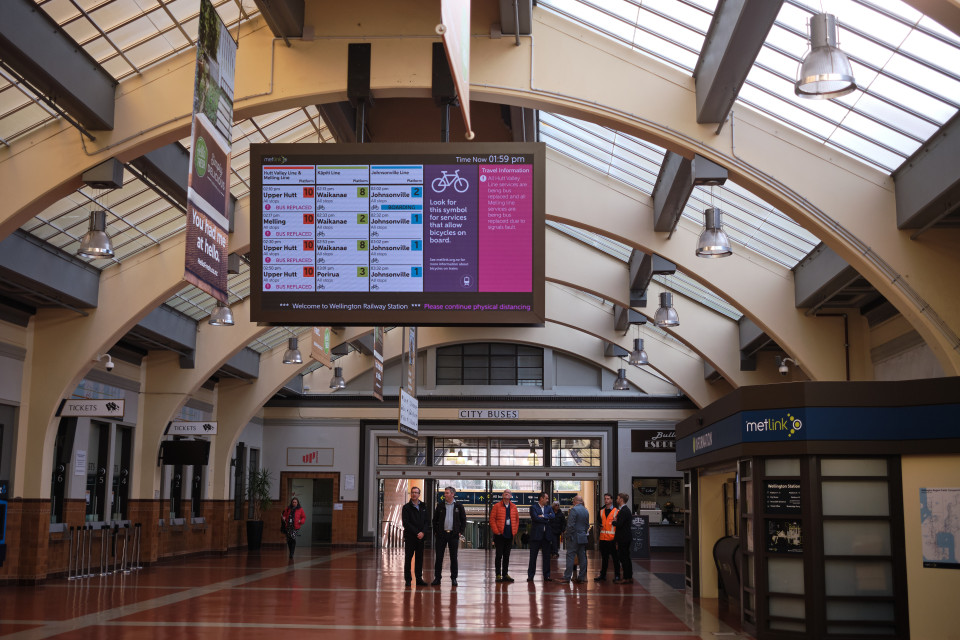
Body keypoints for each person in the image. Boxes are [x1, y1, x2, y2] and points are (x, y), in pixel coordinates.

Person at [431, 485, 466, 586]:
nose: (445, 495)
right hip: (441, 535)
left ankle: (454, 578)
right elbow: (435, 520)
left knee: (453, 558)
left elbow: (463, 520)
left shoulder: (459, 506)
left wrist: (460, 532)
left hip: (454, 535)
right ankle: (437, 578)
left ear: (452, 494)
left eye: (447, 493)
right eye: (444, 493)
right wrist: (436, 532)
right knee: (439, 557)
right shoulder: (440, 505)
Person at [401, 486, 430, 586]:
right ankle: (408, 579)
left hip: (421, 538)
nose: (414, 494)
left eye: (416, 492)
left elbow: (427, 521)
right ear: (411, 494)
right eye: (412, 492)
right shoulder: (406, 507)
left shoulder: (423, 506)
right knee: (408, 558)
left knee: (419, 559)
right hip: (410, 537)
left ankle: (419, 579)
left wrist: (423, 532)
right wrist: (417, 532)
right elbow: (406, 523)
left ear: (419, 494)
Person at [489, 489, 519, 583]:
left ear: (510, 496)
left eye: (509, 493)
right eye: (505, 493)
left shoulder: (513, 507)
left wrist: (514, 531)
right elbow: (492, 519)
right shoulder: (497, 506)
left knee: (507, 555)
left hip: (509, 534)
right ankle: (498, 574)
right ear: (502, 495)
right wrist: (496, 531)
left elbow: (517, 520)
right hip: (499, 535)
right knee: (499, 555)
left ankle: (505, 574)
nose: (507, 494)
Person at [527, 491, 555, 582]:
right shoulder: (533, 508)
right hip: (536, 536)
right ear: (541, 498)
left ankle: (546, 576)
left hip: (546, 537)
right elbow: (535, 518)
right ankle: (531, 576)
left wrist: (542, 516)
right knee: (533, 557)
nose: (547, 500)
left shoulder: (549, 508)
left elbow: (553, 516)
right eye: (546, 498)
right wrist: (546, 518)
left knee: (546, 557)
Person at [561, 494, 590, 583]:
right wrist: (583, 533)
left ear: (575, 502)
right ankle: (581, 577)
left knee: (570, 556)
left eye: (573, 502)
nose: (573, 503)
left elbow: (570, 525)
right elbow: (587, 525)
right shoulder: (586, 511)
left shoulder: (574, 510)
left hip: (574, 537)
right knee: (582, 557)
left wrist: (567, 535)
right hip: (582, 537)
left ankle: (567, 577)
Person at [595, 492, 620, 582]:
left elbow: (619, 526)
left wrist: (617, 540)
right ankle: (603, 575)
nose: (606, 500)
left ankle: (617, 575)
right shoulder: (601, 511)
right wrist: (599, 525)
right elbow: (598, 522)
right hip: (603, 539)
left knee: (615, 559)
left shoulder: (616, 512)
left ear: (612, 500)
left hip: (612, 539)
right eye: (605, 498)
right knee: (604, 558)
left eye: (608, 498)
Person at [612, 492, 634, 584]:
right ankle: (629, 576)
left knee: (623, 558)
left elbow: (620, 524)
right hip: (626, 537)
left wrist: (614, 522)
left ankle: (626, 577)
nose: (616, 500)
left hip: (623, 537)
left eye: (617, 498)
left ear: (621, 499)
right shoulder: (626, 510)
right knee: (627, 558)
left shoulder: (624, 511)